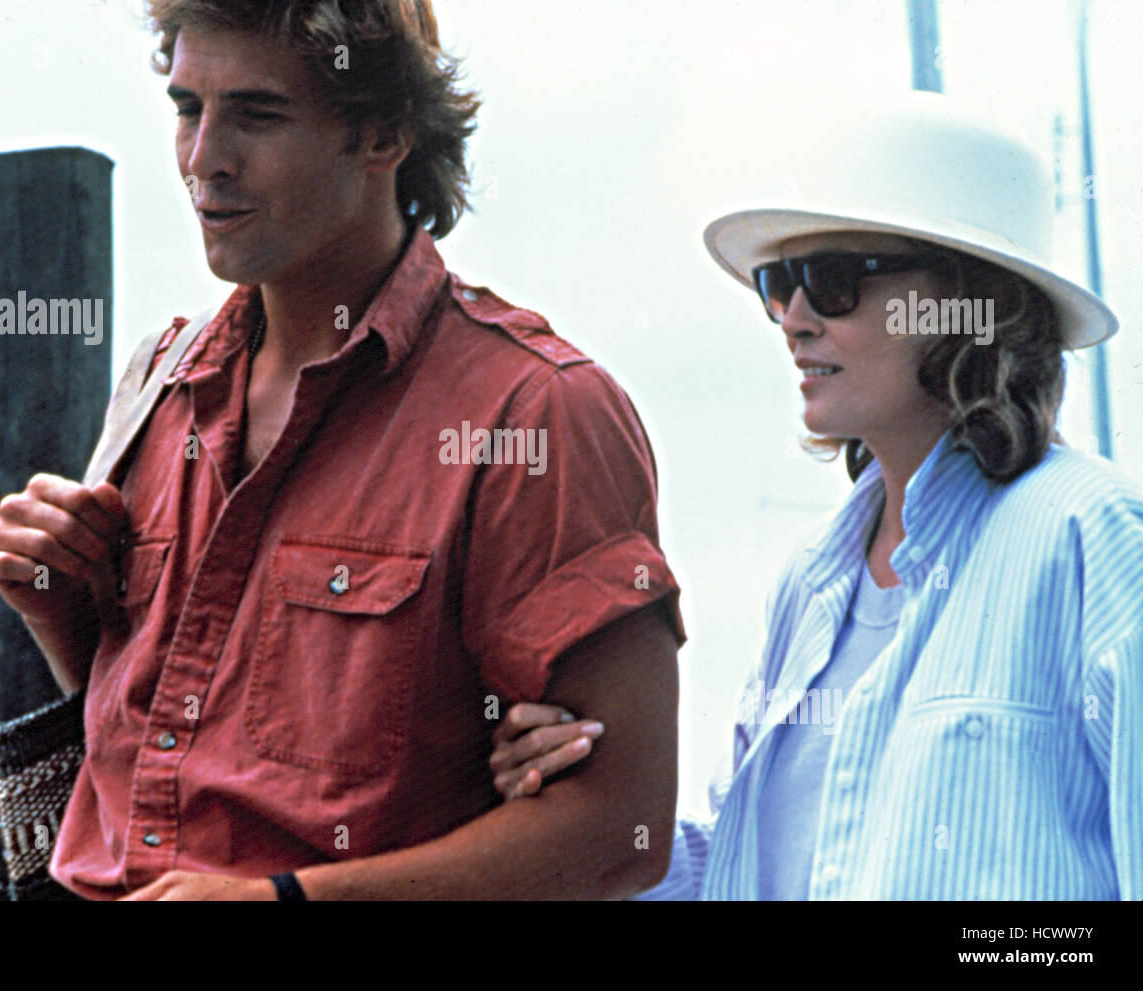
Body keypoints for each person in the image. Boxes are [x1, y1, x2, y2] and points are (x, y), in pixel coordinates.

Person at [0, 0, 683, 900]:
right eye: (189, 108)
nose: (204, 159)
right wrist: (61, 610)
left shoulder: (534, 413)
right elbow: (173, 738)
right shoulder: (159, 384)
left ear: (384, 132)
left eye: (258, 115)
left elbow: (621, 831)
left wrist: (289, 902)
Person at [490, 93, 1143, 900]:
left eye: (833, 282)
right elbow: (746, 873)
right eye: (778, 283)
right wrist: (576, 796)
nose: (791, 319)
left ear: (973, 305)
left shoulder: (1094, 535)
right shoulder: (810, 582)